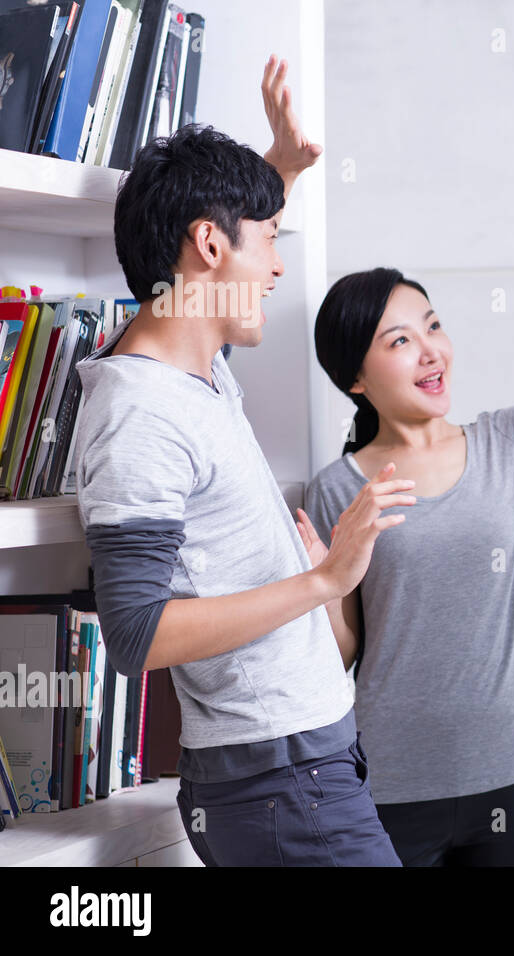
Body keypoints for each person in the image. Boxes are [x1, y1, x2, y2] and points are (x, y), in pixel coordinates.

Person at [74, 57, 414, 866]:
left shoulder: (196, 367)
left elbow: (210, 240)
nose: (278, 264)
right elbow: (135, 632)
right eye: (268, 241)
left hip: (301, 768)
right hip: (279, 782)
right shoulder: (141, 413)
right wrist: (325, 582)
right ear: (207, 246)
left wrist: (278, 169)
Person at [299, 176, 514, 866]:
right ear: (356, 379)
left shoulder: (510, 441)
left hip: (513, 775)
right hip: (393, 784)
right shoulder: (338, 487)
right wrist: (328, 571)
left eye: (433, 326)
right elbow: (339, 654)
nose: (431, 350)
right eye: (401, 340)